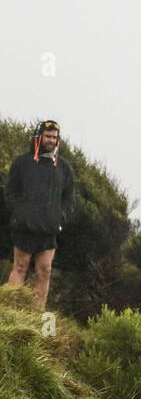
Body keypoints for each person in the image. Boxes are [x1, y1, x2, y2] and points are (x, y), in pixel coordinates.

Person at [6, 119, 74, 310]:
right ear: (39, 137)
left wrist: (60, 219)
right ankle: (9, 312)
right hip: (24, 227)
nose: (51, 140)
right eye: (48, 136)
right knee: (20, 267)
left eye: (54, 137)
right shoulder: (22, 163)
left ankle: (37, 316)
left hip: (49, 230)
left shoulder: (63, 168)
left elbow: (69, 198)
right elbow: (10, 192)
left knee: (44, 271)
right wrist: (19, 214)